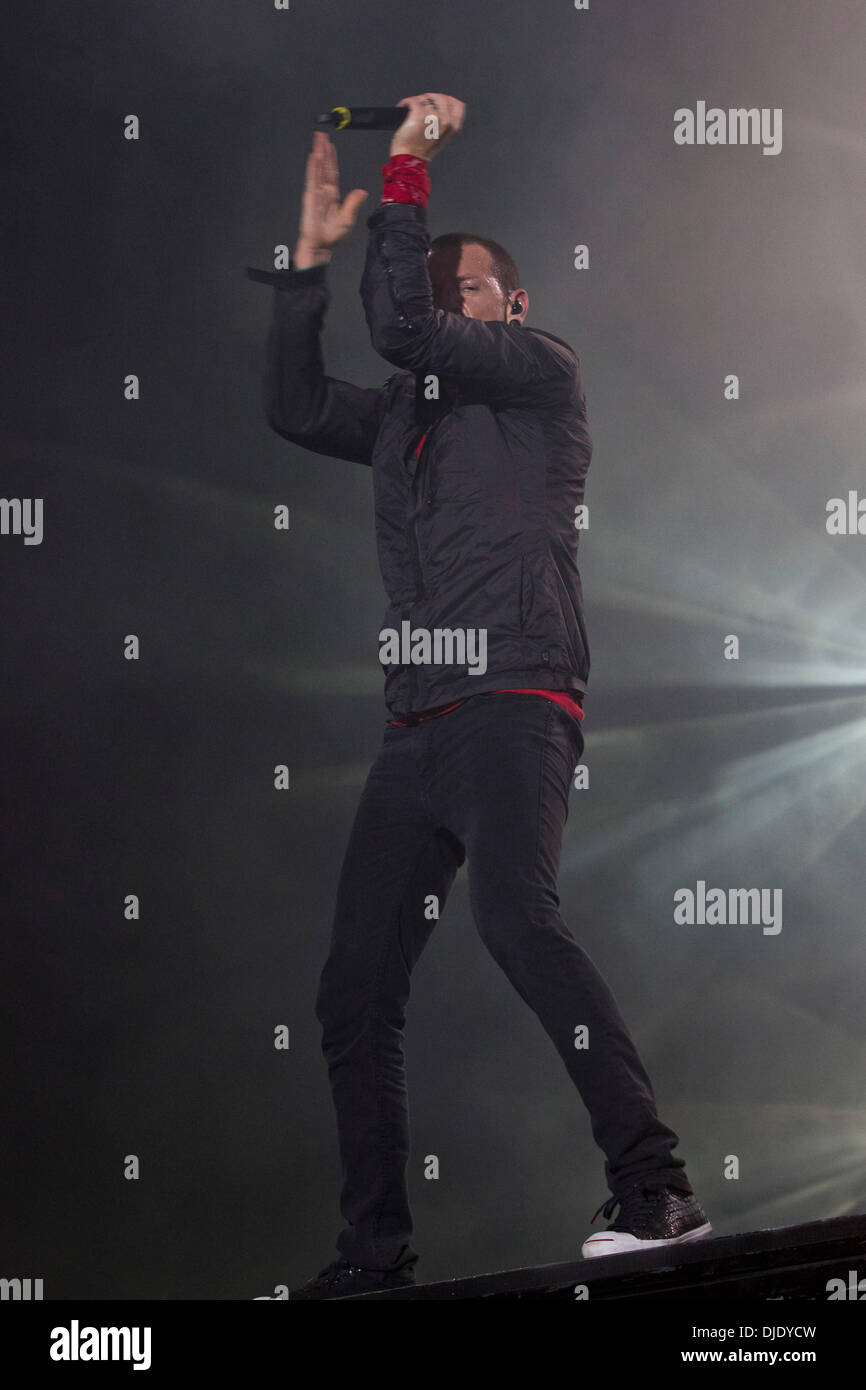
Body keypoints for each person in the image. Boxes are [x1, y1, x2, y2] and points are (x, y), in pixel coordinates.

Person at [247, 93, 710, 1300]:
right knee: (352, 993)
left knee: (515, 918)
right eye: (438, 287)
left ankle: (655, 1189)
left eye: (464, 290)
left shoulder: (537, 378)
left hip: (513, 695)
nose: (443, 304)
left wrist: (406, 176)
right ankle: (373, 1257)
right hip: (417, 725)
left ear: (510, 305)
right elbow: (295, 406)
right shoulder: (407, 416)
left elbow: (402, 328)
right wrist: (302, 271)